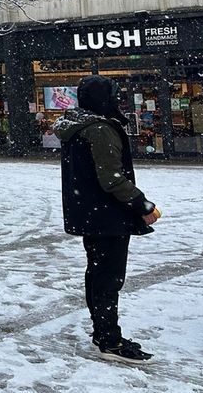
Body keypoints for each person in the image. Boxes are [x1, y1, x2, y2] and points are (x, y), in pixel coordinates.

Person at [54, 75, 159, 364]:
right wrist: (142, 204)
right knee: (108, 278)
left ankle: (105, 333)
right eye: (114, 96)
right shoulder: (99, 129)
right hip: (107, 215)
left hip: (93, 214)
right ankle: (109, 339)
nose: (118, 102)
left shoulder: (79, 127)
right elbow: (111, 178)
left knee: (99, 275)